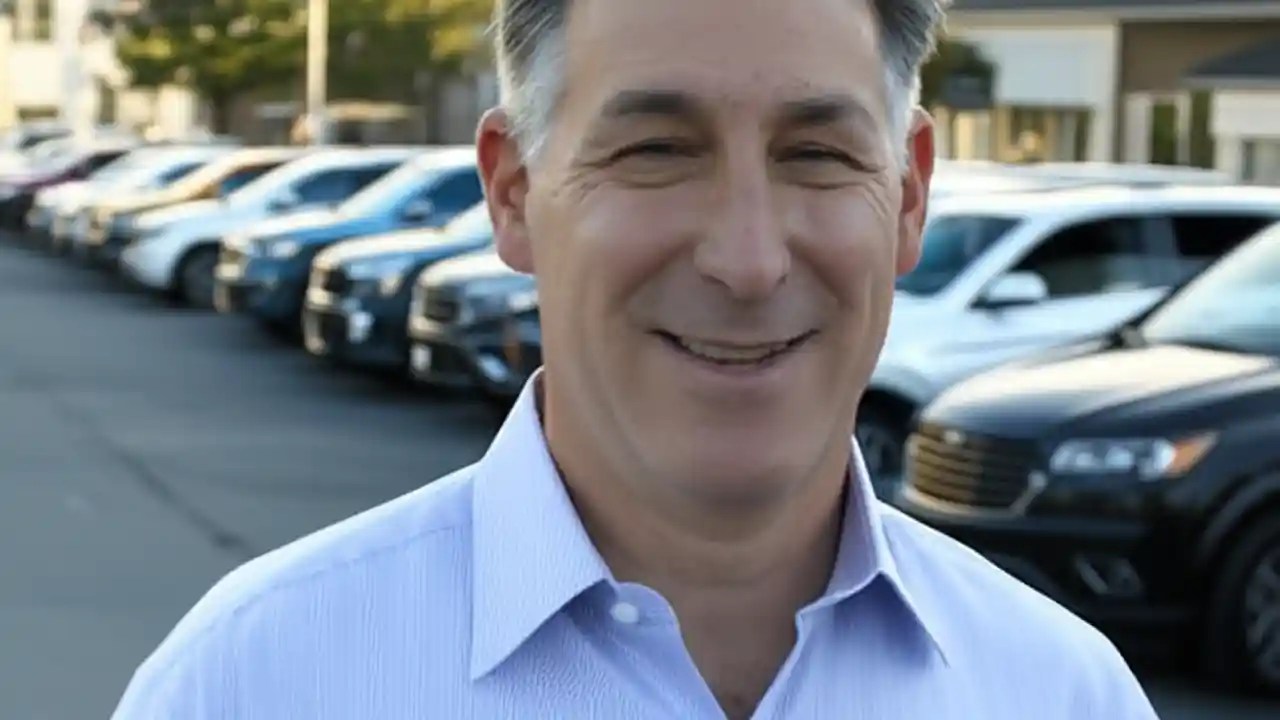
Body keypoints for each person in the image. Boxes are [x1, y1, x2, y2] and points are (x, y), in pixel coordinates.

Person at [113, 0, 1161, 718]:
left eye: (815, 155)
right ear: (512, 192)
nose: (747, 261)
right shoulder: (261, 680)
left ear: (910, 195)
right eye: (656, 152)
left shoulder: (1057, 691)